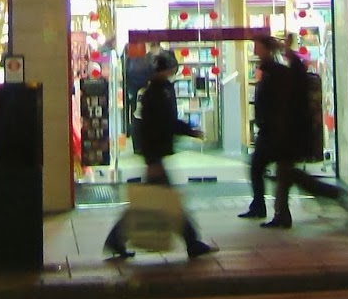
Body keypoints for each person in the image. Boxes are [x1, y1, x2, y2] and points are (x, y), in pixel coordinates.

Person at [104, 51, 217, 259]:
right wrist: (152, 159)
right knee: (164, 201)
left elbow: (166, 122)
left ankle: (116, 239)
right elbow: (155, 126)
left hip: (155, 155)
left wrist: (188, 131)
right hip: (155, 156)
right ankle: (191, 242)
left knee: (157, 199)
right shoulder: (156, 93)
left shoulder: (159, 90)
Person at [263, 41, 348, 229]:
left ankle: (330, 195)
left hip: (290, 136)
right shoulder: (295, 79)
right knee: (287, 175)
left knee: (290, 175)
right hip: (290, 135)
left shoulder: (293, 81)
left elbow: (289, 110)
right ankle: (283, 214)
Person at [238, 36, 284, 221]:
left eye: (258, 47)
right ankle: (262, 206)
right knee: (261, 168)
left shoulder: (274, 72)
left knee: (257, 167)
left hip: (273, 130)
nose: (255, 51)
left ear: (268, 49)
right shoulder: (267, 71)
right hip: (269, 128)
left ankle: (262, 207)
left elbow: (275, 101)